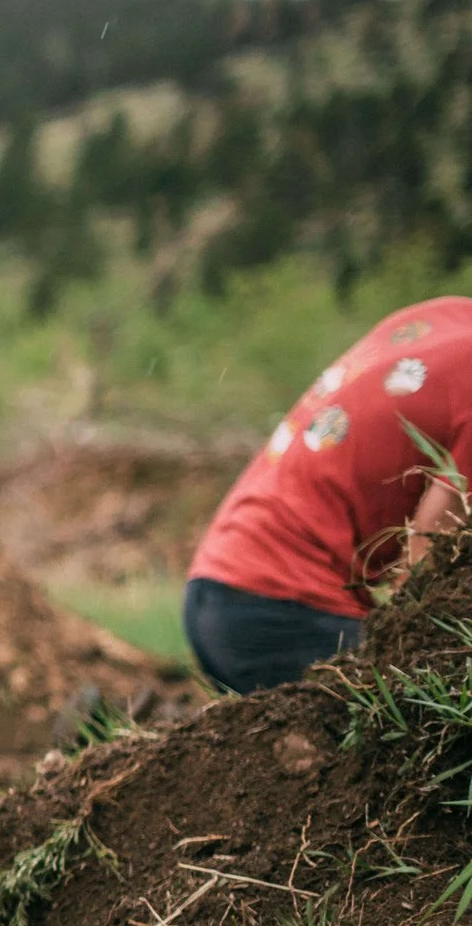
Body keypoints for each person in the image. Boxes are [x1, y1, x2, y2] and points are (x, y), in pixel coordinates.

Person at [185, 295, 472, 692]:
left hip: (220, 584)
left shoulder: (450, 316)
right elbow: (429, 561)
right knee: (429, 703)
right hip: (282, 610)